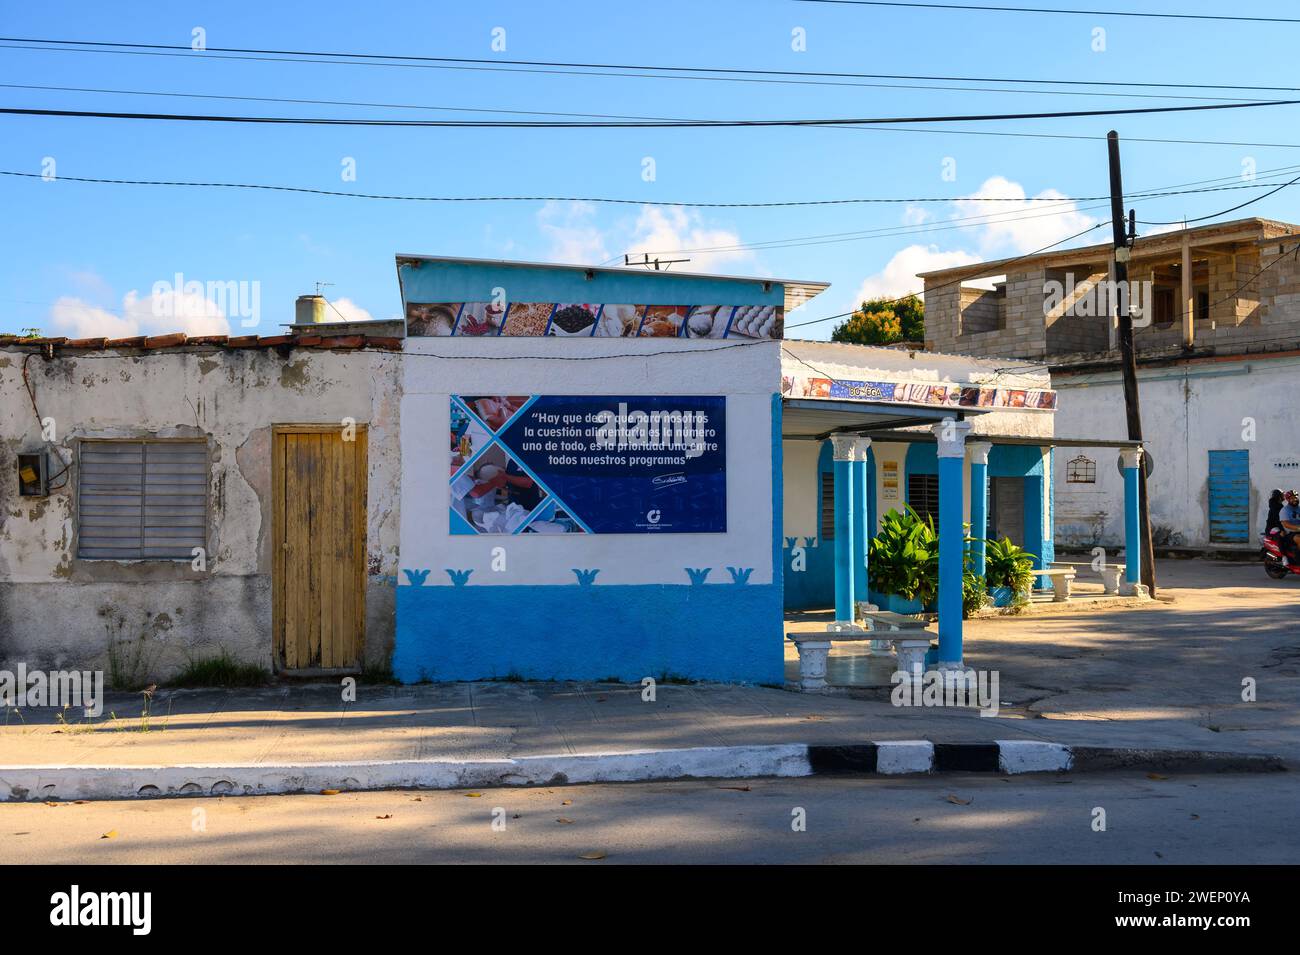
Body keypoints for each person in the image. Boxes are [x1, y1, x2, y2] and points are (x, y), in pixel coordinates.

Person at [1281, 490, 1300, 566]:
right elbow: (1285, 524)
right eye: (1292, 498)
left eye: (1295, 497)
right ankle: (1299, 562)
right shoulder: (1285, 510)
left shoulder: (1299, 509)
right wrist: (1298, 528)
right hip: (1289, 534)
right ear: (1288, 500)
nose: (1294, 499)